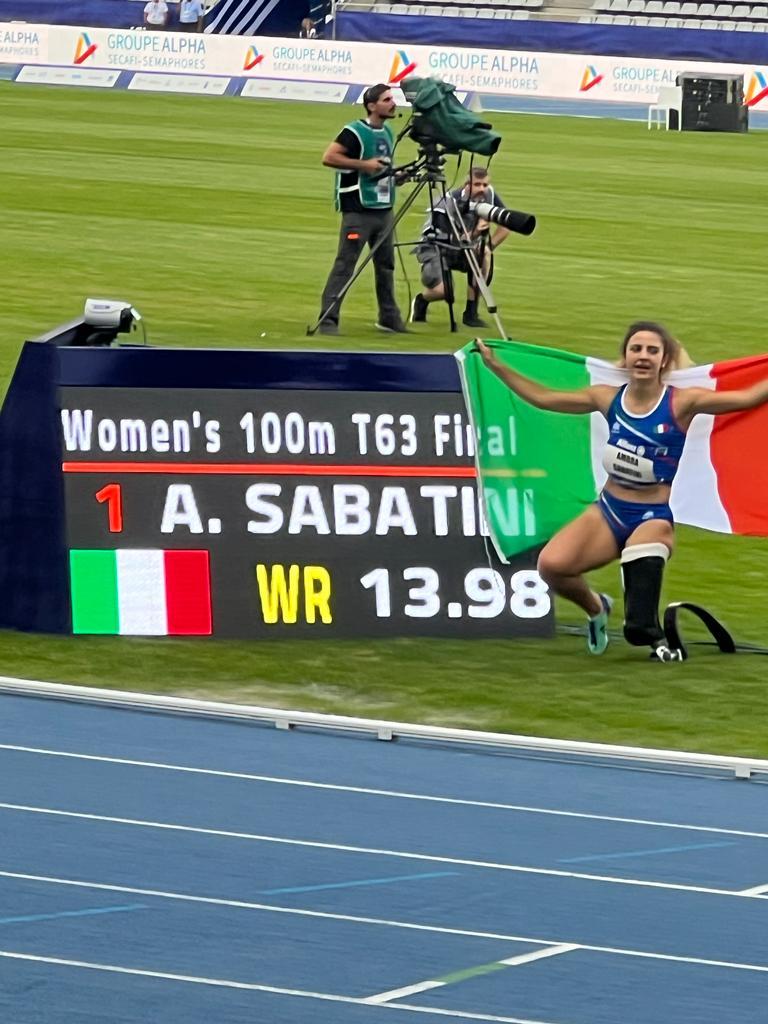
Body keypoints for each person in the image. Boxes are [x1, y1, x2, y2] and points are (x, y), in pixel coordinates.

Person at [476, 322, 768, 658]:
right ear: (626, 356)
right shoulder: (606, 396)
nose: (643, 356)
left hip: (651, 516)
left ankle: (652, 635)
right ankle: (596, 609)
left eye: (652, 351)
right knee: (551, 567)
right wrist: (496, 365)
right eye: (636, 349)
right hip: (609, 510)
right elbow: (545, 399)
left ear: (664, 361)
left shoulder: (682, 403)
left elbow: (747, 398)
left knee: (641, 578)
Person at [317, 84, 407, 336]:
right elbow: (329, 157)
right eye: (387, 99)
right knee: (346, 264)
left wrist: (397, 175)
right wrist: (363, 165)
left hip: (383, 207)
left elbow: (382, 167)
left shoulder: (387, 132)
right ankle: (328, 319)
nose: (393, 103)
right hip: (358, 208)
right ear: (372, 105)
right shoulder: (353, 132)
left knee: (386, 265)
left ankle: (389, 317)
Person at [411, 166, 510, 329]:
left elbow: (506, 225)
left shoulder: (489, 195)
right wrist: (477, 231)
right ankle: (422, 300)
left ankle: (471, 314)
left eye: (485, 185)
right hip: (436, 247)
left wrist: (488, 247)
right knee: (444, 292)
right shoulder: (446, 202)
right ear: (466, 184)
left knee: (483, 256)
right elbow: (451, 241)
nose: (482, 189)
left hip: (464, 246)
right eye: (477, 184)